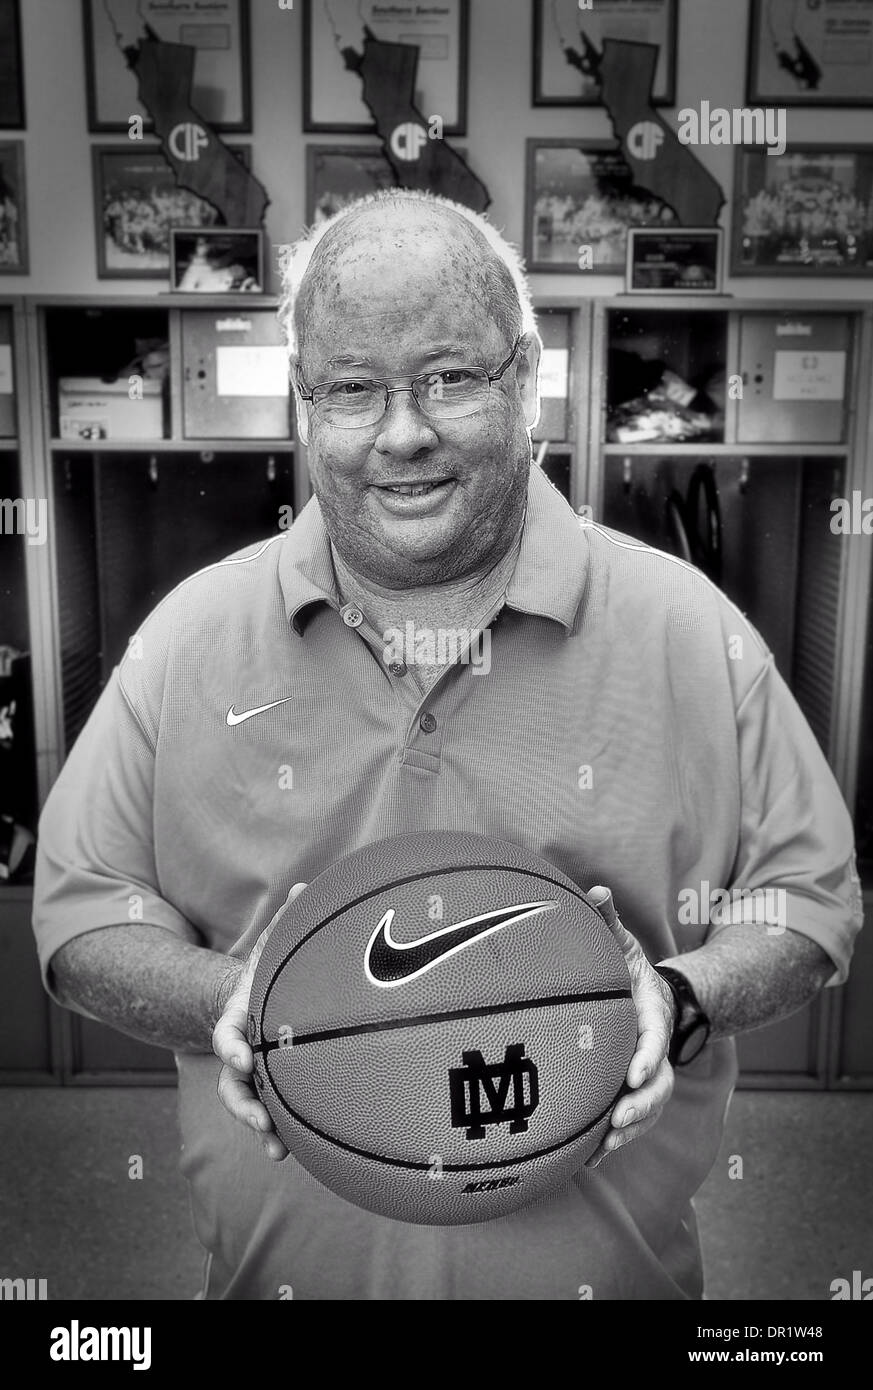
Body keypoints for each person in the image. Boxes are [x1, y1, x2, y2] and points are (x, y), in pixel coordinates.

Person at [32, 190, 861, 1300]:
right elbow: (83, 911)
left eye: (450, 377)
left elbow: (814, 895)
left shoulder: (688, 630)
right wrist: (234, 1003)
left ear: (526, 381)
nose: (404, 431)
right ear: (305, 403)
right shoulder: (188, 639)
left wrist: (679, 995)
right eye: (354, 388)